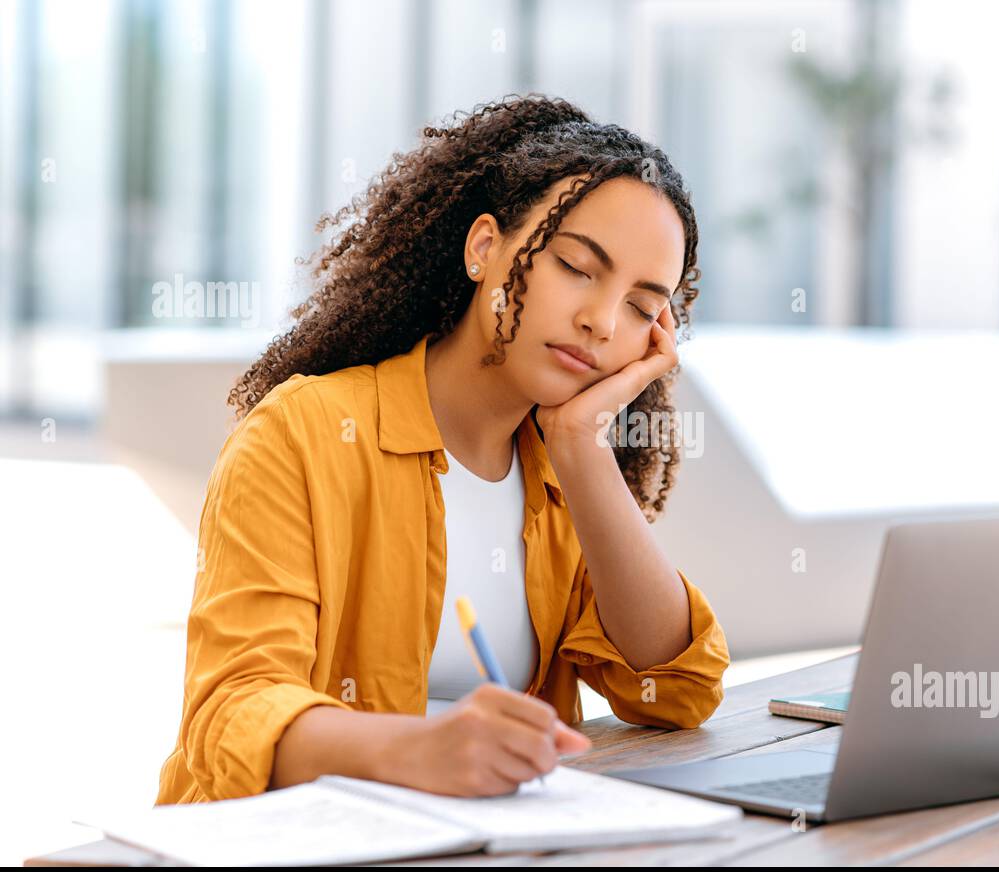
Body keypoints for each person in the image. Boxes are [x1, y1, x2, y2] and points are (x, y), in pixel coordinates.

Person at [154, 93, 730, 805]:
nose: (601, 321)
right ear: (484, 247)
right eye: (578, 267)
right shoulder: (301, 433)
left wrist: (582, 446)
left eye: (643, 307)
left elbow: (675, 687)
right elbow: (232, 715)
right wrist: (425, 749)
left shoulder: (559, 474)